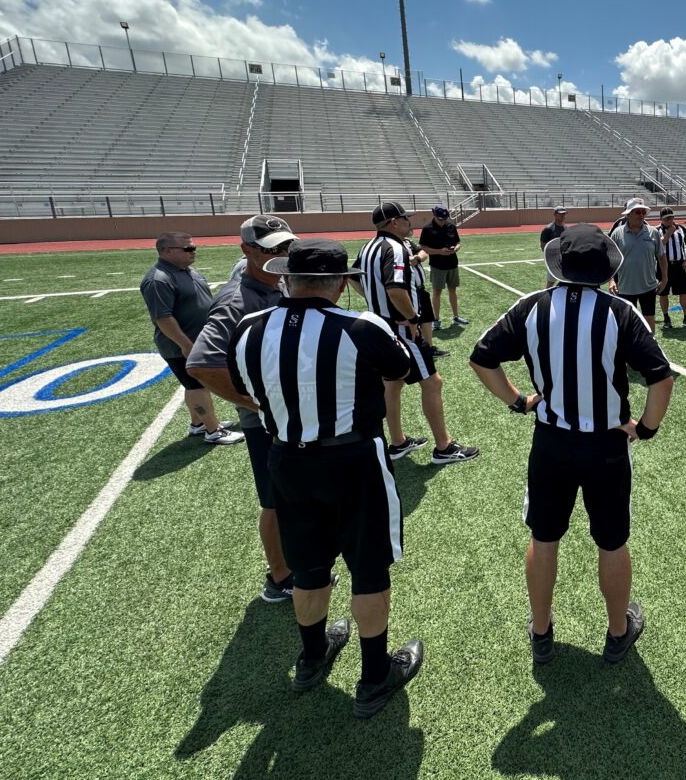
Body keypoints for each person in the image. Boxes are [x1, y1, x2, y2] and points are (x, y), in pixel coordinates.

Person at [226, 239, 425, 719]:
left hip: (286, 460)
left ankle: (311, 657)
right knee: (369, 569)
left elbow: (240, 384)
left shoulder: (249, 328)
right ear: (340, 284)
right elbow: (403, 368)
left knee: (308, 568)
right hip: (353, 458)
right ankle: (375, 675)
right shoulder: (360, 324)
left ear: (286, 279)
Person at [469, 224, 674, 666]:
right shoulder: (620, 313)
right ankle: (618, 631)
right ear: (606, 268)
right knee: (612, 543)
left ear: (558, 263)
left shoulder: (531, 308)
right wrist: (646, 428)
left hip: (552, 443)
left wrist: (519, 402)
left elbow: (481, 357)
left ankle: (541, 630)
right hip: (605, 446)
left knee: (544, 538)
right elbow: (661, 377)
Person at [187, 215, 298, 602]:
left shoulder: (278, 284)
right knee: (274, 499)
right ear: (247, 250)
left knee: (291, 494)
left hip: (286, 414)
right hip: (265, 420)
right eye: (272, 249)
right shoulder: (238, 299)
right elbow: (200, 363)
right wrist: (252, 402)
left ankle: (293, 560)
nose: (282, 255)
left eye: (286, 247)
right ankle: (279, 577)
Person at [356, 201, 480, 465]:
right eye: (405, 219)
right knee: (432, 382)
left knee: (392, 383)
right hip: (400, 328)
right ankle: (444, 447)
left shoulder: (369, 246)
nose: (409, 222)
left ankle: (398, 442)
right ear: (393, 223)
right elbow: (395, 289)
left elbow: (355, 277)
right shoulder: (395, 248)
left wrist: (376, 302)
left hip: (380, 326)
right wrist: (411, 318)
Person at [139, 231, 243, 445]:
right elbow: (163, 318)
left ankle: (198, 424)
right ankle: (214, 431)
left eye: (193, 247)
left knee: (192, 385)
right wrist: (186, 345)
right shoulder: (158, 279)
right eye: (187, 248)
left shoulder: (187, 271)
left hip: (198, 340)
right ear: (167, 251)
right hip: (181, 346)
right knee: (198, 386)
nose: (193, 251)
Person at [609, 198, 668, 335]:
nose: (641, 214)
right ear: (628, 214)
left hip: (648, 286)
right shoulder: (617, 233)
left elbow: (661, 257)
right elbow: (610, 259)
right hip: (625, 287)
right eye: (637, 212)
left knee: (649, 320)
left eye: (643, 212)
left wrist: (664, 279)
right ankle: (628, 352)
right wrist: (612, 280)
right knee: (626, 322)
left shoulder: (653, 232)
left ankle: (649, 350)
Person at [419, 205, 468, 330]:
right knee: (437, 292)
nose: (443, 221)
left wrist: (456, 248)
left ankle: (456, 316)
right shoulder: (427, 229)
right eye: (440, 219)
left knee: (453, 290)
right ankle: (436, 319)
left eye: (444, 218)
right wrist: (439, 251)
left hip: (452, 263)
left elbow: (458, 242)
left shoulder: (451, 226)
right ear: (434, 216)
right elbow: (423, 248)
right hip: (437, 266)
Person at [657, 208, 686, 330]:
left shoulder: (681, 228)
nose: (670, 220)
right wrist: (669, 232)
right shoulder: (657, 230)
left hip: (679, 266)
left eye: (671, 217)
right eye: (667, 218)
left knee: (684, 292)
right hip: (663, 266)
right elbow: (660, 244)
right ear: (661, 219)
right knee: (663, 293)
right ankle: (666, 318)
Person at [540, 207, 568, 288]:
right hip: (553, 260)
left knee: (565, 282)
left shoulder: (566, 228)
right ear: (555, 214)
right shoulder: (548, 229)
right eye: (561, 214)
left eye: (564, 214)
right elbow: (543, 247)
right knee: (550, 283)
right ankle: (545, 297)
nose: (563, 216)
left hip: (564, 260)